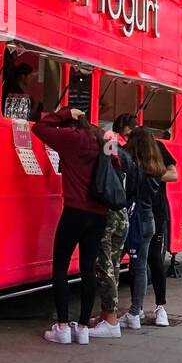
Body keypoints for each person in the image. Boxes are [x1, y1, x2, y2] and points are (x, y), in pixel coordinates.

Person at [34, 107, 112, 345]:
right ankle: (83, 328)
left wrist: (66, 112)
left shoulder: (71, 138)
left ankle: (63, 326)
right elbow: (119, 163)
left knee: (61, 266)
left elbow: (40, 127)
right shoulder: (103, 139)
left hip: (75, 211)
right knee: (88, 268)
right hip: (100, 212)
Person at [89, 114, 137, 337]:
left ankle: (110, 320)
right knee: (114, 265)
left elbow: (101, 176)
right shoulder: (128, 156)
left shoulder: (109, 149)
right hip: (123, 213)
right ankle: (109, 313)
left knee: (105, 265)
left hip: (108, 214)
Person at [123, 129, 167, 328]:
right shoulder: (156, 168)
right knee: (142, 266)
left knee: (114, 263)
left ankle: (130, 311)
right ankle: (135, 312)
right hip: (149, 219)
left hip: (132, 219)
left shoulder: (133, 167)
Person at [148, 137, 181, 325]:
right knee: (138, 262)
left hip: (154, 210)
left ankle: (160, 306)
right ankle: (135, 310)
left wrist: (149, 174)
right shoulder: (127, 149)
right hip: (137, 211)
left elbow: (173, 174)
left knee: (154, 258)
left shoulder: (157, 147)